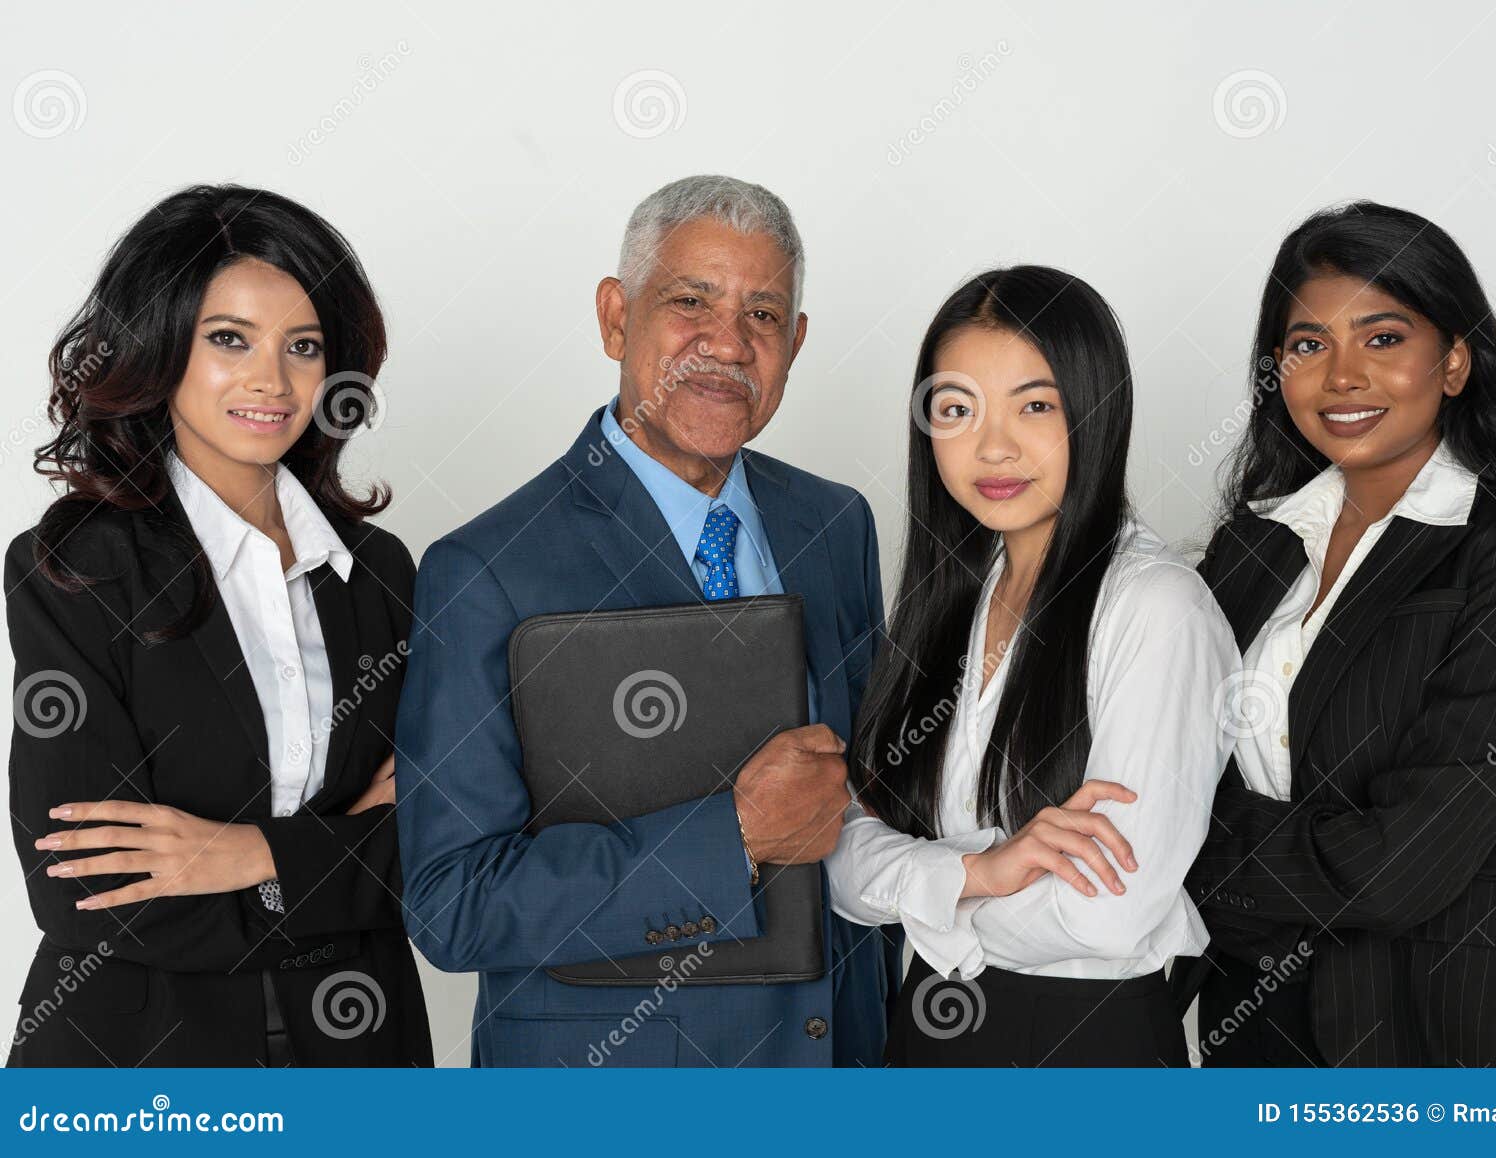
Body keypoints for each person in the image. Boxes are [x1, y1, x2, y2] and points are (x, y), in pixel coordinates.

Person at [394, 175, 894, 1067]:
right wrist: (731, 835)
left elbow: (868, 806)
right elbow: (452, 904)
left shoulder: (834, 524)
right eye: (690, 301)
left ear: (797, 343)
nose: (727, 344)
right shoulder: (487, 570)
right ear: (616, 318)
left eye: (764, 315)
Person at [6, 185, 431, 1067]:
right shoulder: (75, 564)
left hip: (362, 1046)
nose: (272, 382)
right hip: (138, 1057)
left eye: (303, 348)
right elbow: (88, 885)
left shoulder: (379, 573)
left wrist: (243, 854)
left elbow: (434, 850)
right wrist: (330, 853)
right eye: (229, 339)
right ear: (162, 347)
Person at [1173, 201, 1496, 1067]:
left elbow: (1410, 859)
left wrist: (1189, 857)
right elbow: (1164, 771)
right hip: (1251, 1022)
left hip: (1443, 1027)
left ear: (1453, 362)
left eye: (1382, 338)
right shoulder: (1248, 548)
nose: (1341, 376)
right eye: (1306, 345)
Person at [824, 266, 1239, 1066]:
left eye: (1036, 405)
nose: (994, 445)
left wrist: (925, 888)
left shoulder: (1156, 610)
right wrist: (983, 872)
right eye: (956, 409)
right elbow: (838, 857)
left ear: (1097, 409)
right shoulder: (949, 602)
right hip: (927, 1033)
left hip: (1083, 1044)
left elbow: (1108, 917)